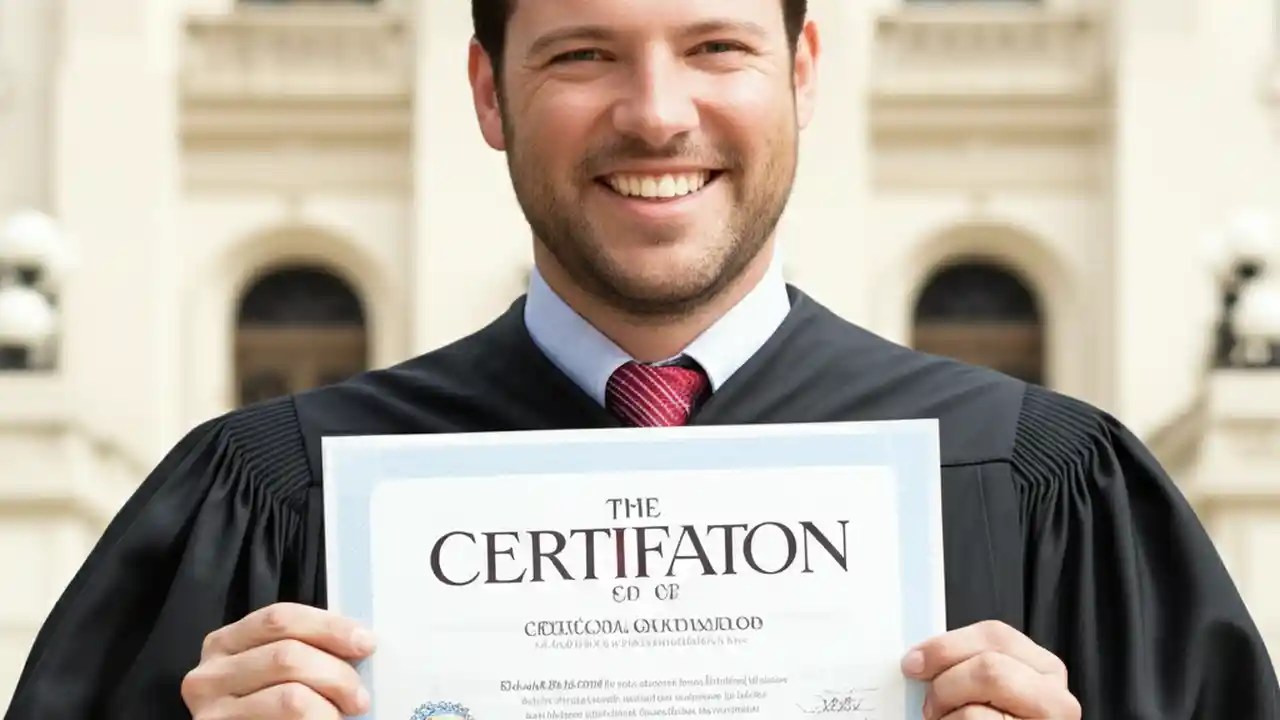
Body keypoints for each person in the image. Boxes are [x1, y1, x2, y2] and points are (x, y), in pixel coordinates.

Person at [6, 0, 1278, 718]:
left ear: (801, 72)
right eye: (580, 54)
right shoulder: (268, 498)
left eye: (714, 45)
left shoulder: (1046, 488)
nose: (657, 112)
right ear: (489, 94)